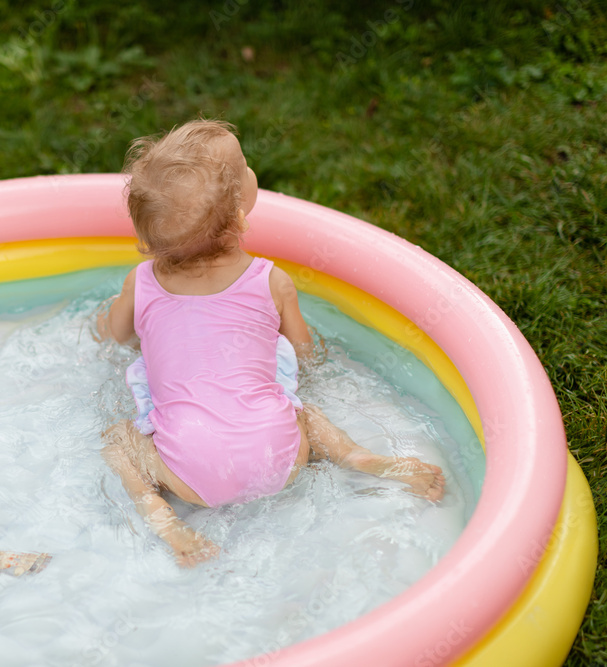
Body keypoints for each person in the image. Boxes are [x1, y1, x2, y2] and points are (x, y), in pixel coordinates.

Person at [96, 119, 445, 568]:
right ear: (241, 211)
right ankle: (356, 456)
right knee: (298, 408)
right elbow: (305, 353)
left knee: (117, 439)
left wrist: (109, 320)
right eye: (246, 167)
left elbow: (116, 337)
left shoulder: (140, 283)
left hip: (190, 475)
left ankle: (159, 513)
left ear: (146, 239)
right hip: (280, 457)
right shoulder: (272, 281)